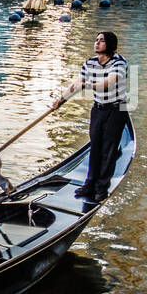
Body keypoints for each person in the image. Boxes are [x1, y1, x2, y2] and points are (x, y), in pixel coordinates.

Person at [51, 31, 128, 204]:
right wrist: (60, 100)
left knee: (109, 150)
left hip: (117, 110)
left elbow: (109, 82)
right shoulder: (90, 63)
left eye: (101, 41)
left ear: (109, 44)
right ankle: (89, 184)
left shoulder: (119, 62)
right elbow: (76, 85)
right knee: (95, 146)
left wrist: (88, 85)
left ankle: (102, 188)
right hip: (98, 109)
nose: (97, 43)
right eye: (96, 40)